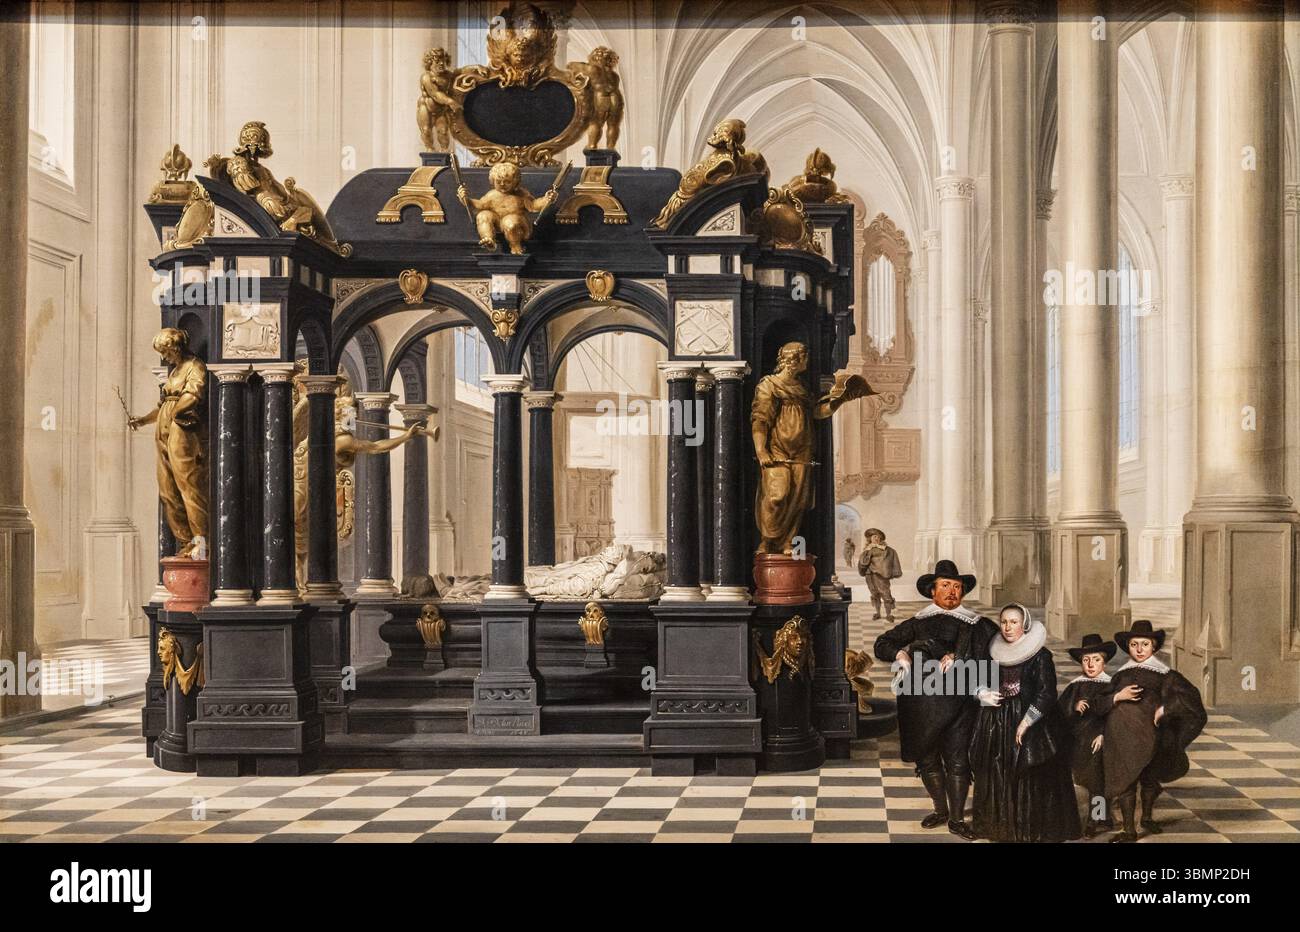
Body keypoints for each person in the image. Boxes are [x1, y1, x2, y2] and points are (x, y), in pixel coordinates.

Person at [873, 560, 996, 838]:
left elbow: (994, 657)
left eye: (956, 587)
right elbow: (882, 643)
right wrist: (899, 654)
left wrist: (959, 657)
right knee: (927, 759)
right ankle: (939, 810)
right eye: (945, 586)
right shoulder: (918, 621)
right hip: (919, 702)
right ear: (933, 591)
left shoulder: (978, 624)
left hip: (959, 700)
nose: (952, 591)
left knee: (957, 760)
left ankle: (955, 819)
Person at [969, 603, 1081, 842]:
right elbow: (977, 679)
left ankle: (1029, 831)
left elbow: (1046, 693)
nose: (1008, 627)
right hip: (997, 719)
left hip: (1031, 719)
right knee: (997, 772)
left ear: (1025, 624)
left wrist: (1025, 722)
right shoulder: (992, 651)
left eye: (1014, 622)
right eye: (1004, 622)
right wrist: (982, 694)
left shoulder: (1041, 656)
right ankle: (1001, 828)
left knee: (1029, 775)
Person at [1098, 620, 1207, 843]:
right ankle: (1129, 831)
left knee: (1148, 778)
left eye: (1145, 644)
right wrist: (1118, 697)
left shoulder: (1166, 675)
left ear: (1154, 647)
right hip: (1122, 738)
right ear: (1128, 647)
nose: (1139, 649)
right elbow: (1100, 701)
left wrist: (1166, 709)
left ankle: (1147, 817)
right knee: (1126, 783)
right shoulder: (1120, 676)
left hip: (1153, 736)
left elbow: (1191, 699)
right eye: (1134, 644)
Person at [128, 328, 209, 558]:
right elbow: (163, 404)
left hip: (181, 430)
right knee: (167, 489)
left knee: (188, 486)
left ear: (175, 348)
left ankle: (202, 543)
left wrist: (174, 413)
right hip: (163, 429)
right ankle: (185, 541)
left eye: (165, 352)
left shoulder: (195, 366)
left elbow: (193, 396)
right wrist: (143, 420)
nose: (164, 357)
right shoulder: (174, 371)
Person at [1058, 633, 1118, 837]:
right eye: (1086, 660)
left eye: (1096, 659)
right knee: (1085, 779)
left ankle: (1098, 819)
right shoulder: (1075, 686)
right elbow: (1059, 714)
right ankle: (1098, 817)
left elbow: (1116, 717)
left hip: (1100, 741)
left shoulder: (1111, 686)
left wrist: (1104, 735)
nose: (1091, 664)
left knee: (1097, 781)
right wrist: (1073, 707)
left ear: (1105, 662)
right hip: (1077, 741)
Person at [457, 161, 556, 254]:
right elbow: (480, 205)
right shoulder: (492, 195)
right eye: (498, 181)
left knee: (509, 220)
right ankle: (489, 239)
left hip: (517, 226)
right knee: (483, 215)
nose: (502, 184)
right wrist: (466, 200)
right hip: (498, 224)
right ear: (493, 181)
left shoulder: (521, 194)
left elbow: (534, 205)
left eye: (507, 182)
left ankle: (515, 246)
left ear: (515, 182)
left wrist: (546, 199)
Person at [856, 528, 902, 620]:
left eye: (878, 537)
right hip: (870, 575)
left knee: (886, 594)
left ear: (881, 538)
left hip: (882, 575)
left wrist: (893, 572)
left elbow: (891, 560)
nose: (876, 538)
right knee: (874, 594)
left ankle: (888, 615)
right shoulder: (867, 550)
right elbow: (863, 563)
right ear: (870, 538)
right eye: (874, 536)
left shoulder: (888, 550)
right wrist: (866, 552)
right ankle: (878, 613)